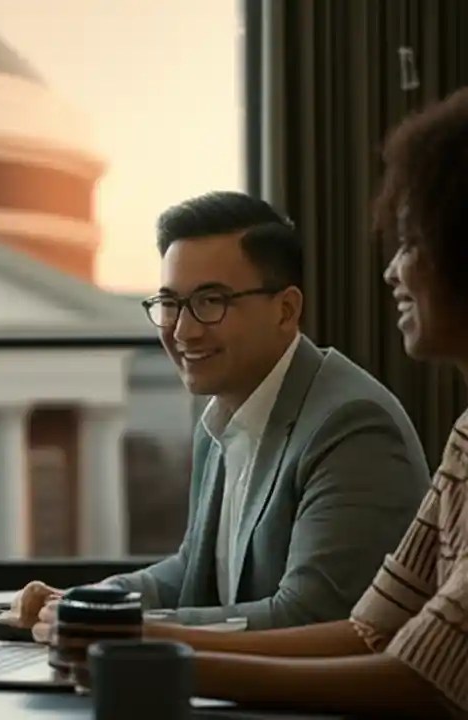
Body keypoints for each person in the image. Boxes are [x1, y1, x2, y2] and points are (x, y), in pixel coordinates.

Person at [112, 86, 468, 719]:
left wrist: (144, 651)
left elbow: (422, 675)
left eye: (412, 241)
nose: (391, 270)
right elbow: (371, 628)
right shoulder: (465, 440)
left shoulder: (352, 422)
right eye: (171, 304)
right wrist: (100, 613)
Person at [14, 191, 429, 633]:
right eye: (170, 303)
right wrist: (86, 603)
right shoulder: (221, 413)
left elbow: (308, 617)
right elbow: (194, 567)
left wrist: (128, 627)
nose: (184, 330)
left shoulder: (352, 425)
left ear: (286, 311)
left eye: (211, 302)